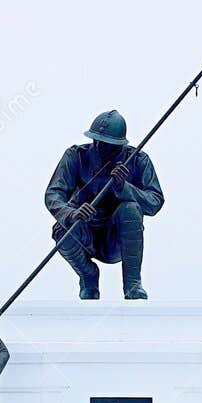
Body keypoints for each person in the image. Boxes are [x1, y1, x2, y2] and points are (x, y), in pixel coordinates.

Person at [44, 109, 165, 300]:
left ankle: (133, 284)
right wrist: (71, 213)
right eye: (96, 140)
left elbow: (155, 201)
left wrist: (124, 187)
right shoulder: (76, 156)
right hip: (85, 234)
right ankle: (88, 276)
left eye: (107, 144)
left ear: (119, 145)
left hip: (116, 239)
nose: (99, 146)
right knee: (61, 229)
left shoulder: (138, 160)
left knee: (131, 209)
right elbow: (53, 194)